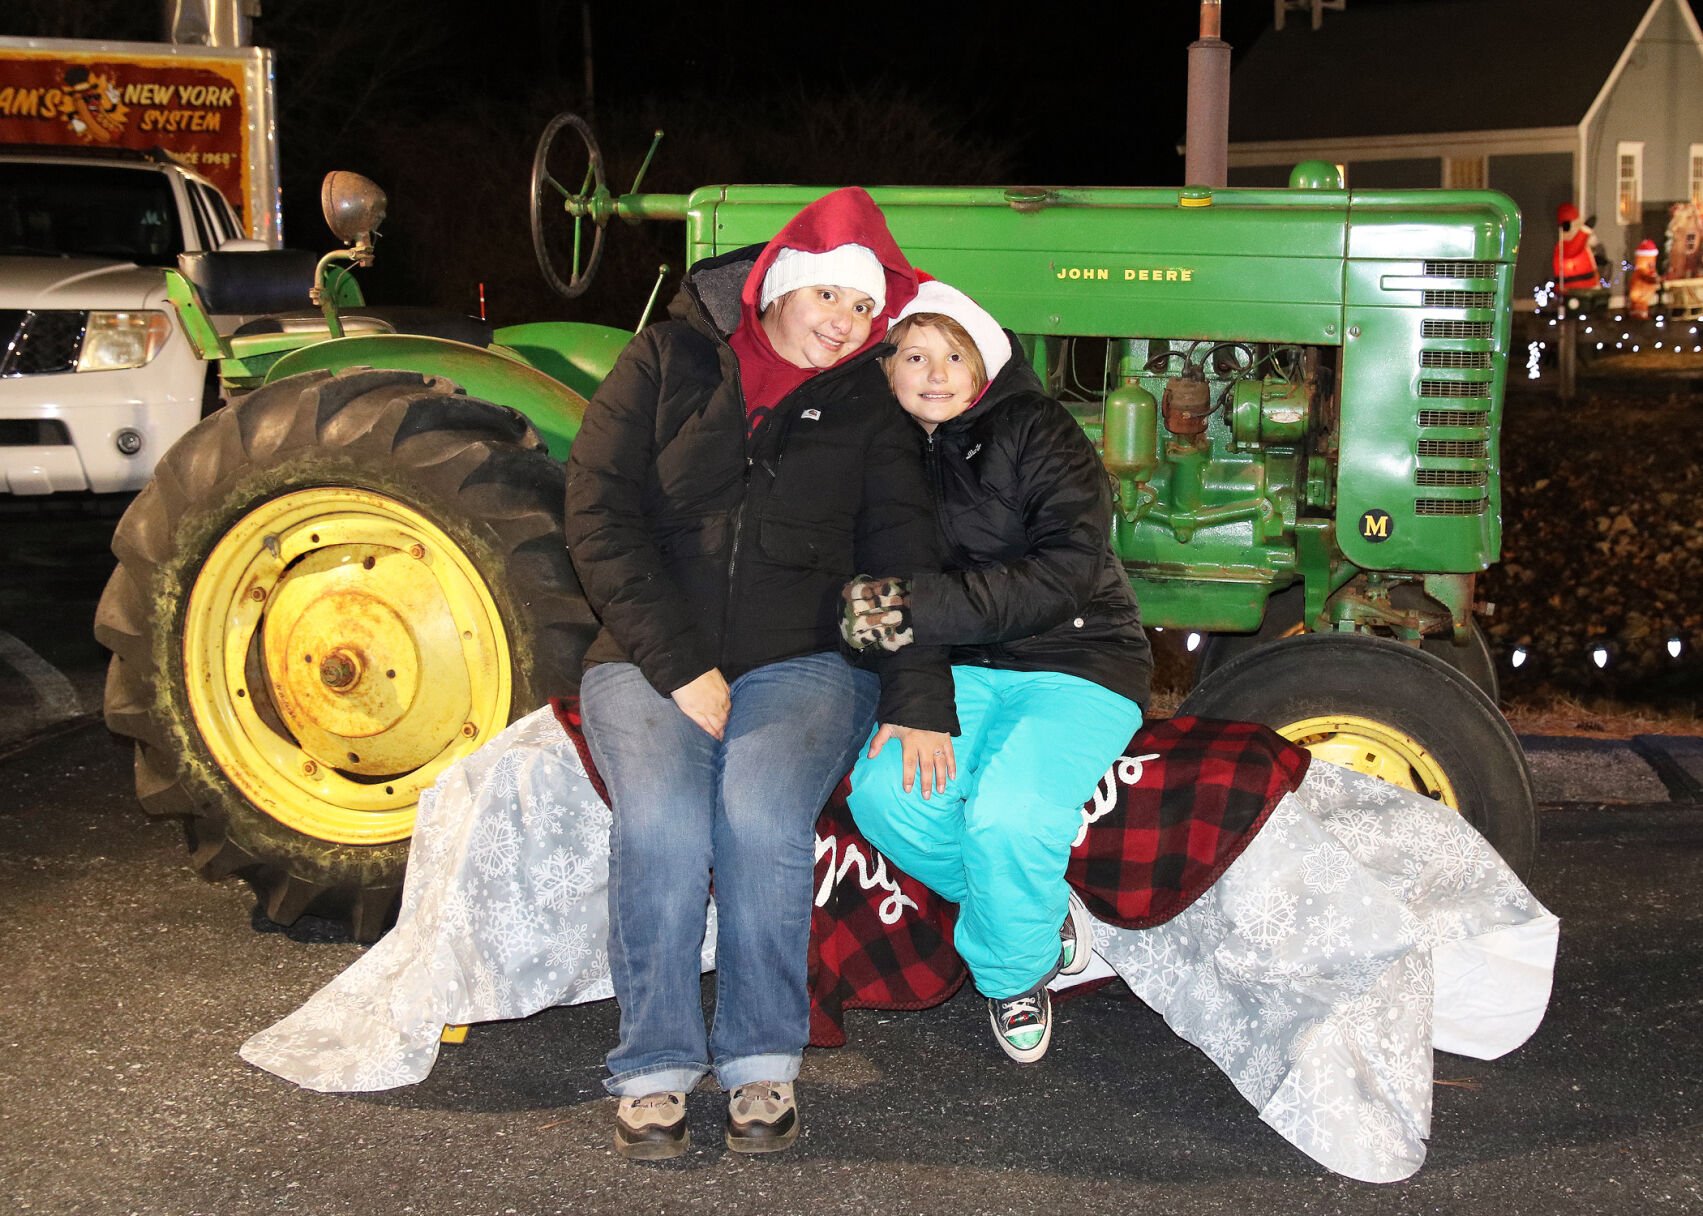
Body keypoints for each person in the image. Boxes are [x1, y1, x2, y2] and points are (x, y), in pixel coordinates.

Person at [563, 188, 957, 1160]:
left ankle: (759, 1061)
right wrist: (678, 662)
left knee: (760, 814)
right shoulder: (666, 359)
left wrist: (917, 701)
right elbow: (597, 512)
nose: (846, 322)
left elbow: (893, 555)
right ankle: (652, 1065)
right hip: (650, 656)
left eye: (865, 309)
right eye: (830, 294)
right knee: (658, 818)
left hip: (805, 662)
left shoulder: (870, 404)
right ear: (778, 282)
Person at [841, 279, 1151, 1063]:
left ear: (984, 365)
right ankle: (1033, 920)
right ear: (885, 368)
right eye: (914, 354)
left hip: (1078, 659)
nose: (935, 372)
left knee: (1008, 815)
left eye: (954, 354)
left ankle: (1015, 972)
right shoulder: (873, 452)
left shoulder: (1035, 428)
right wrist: (885, 621)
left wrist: (906, 607)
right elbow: (853, 592)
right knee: (885, 797)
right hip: (960, 667)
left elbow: (1063, 574)